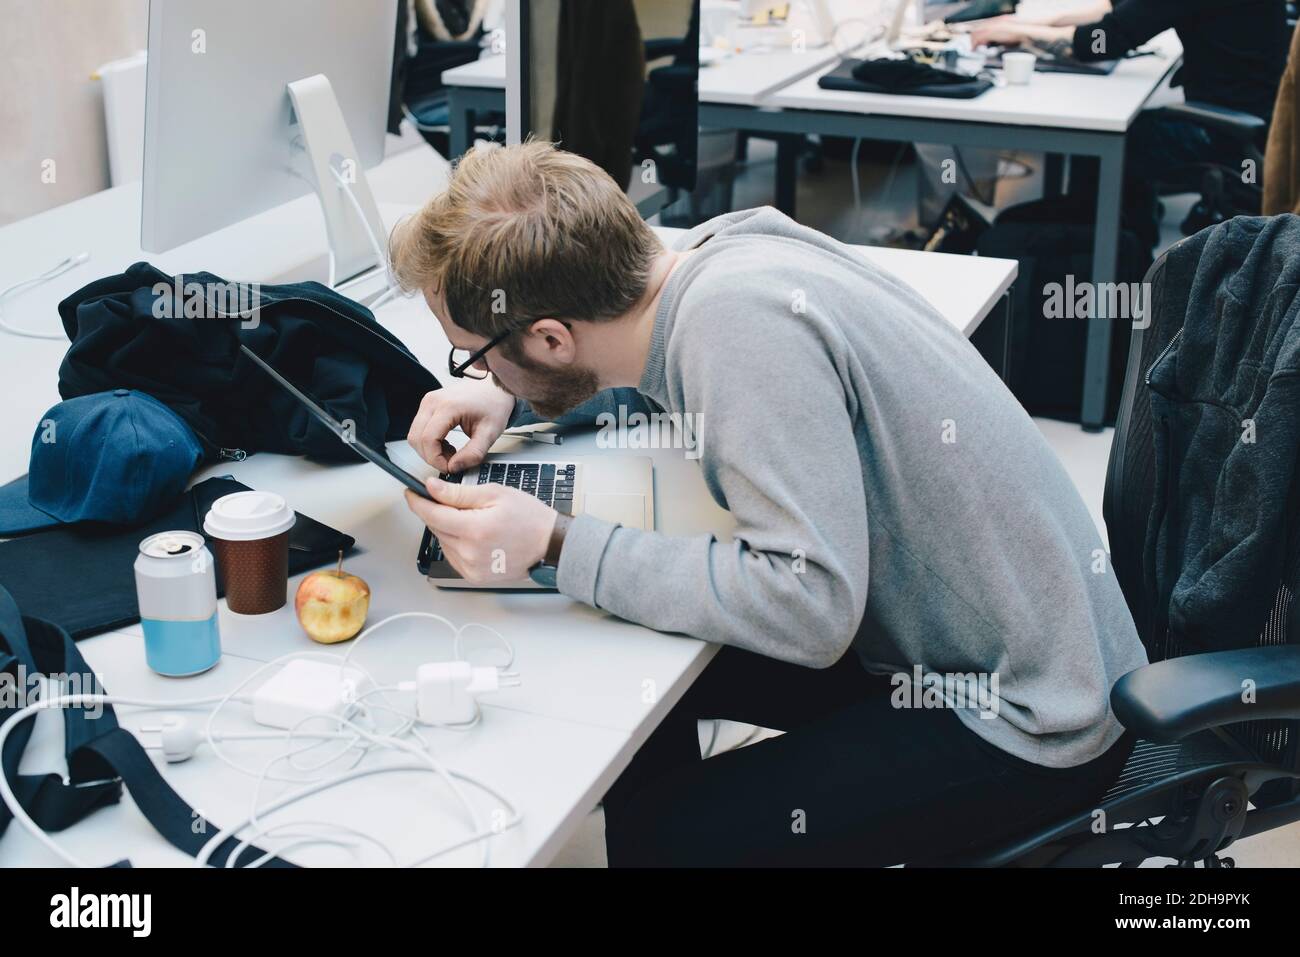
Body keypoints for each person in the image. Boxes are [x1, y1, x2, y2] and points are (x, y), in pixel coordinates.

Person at [389, 140, 1147, 866]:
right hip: (976, 634)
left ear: (553, 339)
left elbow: (809, 606)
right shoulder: (721, 255)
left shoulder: (737, 331)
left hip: (1029, 709)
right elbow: (660, 371)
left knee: (663, 837)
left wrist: (557, 542)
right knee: (641, 656)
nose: (477, 372)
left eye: (478, 355)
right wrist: (507, 396)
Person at [965, 1, 1289, 244]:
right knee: (1111, 129)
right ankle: (1123, 244)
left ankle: (1104, 259)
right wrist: (1036, 22)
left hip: (1224, 133)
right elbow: (1121, 10)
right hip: (1256, 117)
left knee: (1097, 140)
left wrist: (1022, 33)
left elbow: (1102, 41)